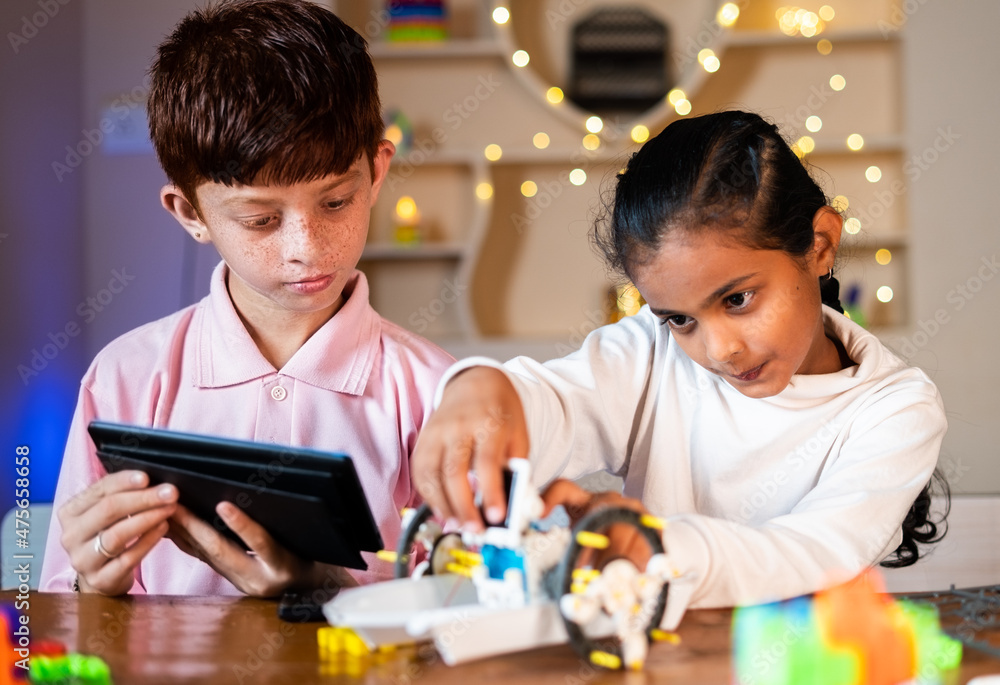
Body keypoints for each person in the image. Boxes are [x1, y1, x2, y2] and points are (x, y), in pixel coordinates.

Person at [411, 111, 948, 628]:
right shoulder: (649, 353)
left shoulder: (896, 408)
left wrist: (657, 547)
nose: (719, 350)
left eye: (737, 299)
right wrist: (483, 388)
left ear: (819, 244)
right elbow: (557, 400)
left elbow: (814, 553)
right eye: (679, 319)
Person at [40, 0, 454, 597]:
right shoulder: (125, 380)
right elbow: (41, 631)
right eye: (260, 220)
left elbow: (466, 612)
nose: (306, 248)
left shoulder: (434, 392)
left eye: (335, 202)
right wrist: (86, 585)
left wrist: (324, 588)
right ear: (191, 214)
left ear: (377, 170)